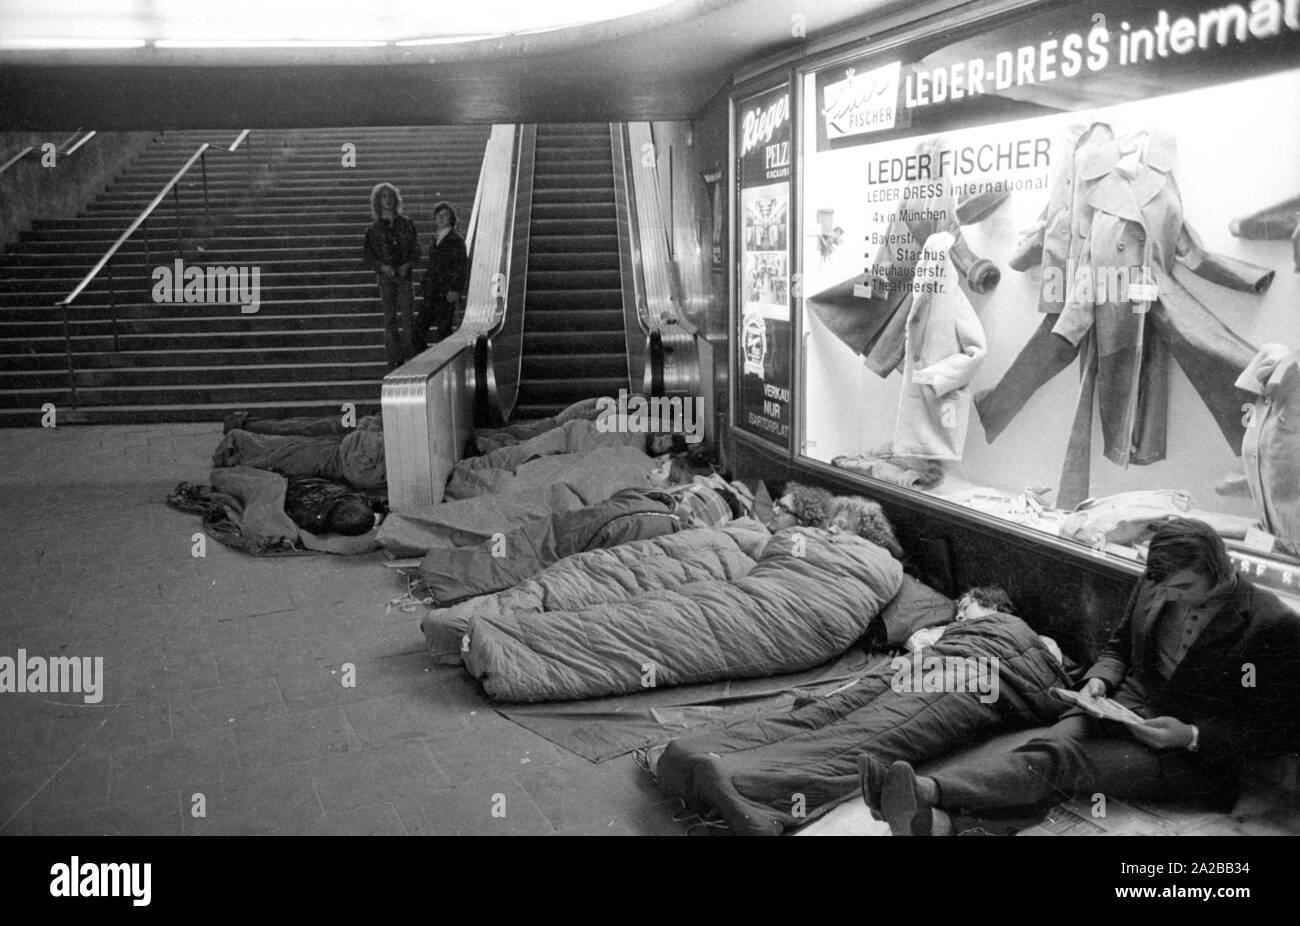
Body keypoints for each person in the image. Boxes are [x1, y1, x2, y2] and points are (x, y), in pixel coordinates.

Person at [862, 517, 1300, 836]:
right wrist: (1099, 683)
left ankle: (928, 791)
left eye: (1182, 590)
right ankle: (942, 824)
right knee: (1050, 749)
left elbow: (1276, 729)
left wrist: (1189, 735)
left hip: (1197, 761)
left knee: (1063, 761)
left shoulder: (1271, 624)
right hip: (1125, 706)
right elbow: (1121, 647)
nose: (1170, 599)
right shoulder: (1156, 583)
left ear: (1219, 572)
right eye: (1162, 587)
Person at [647, 584, 1071, 835]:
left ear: (995, 609)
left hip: (971, 678)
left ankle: (742, 782)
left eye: (968, 608)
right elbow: (920, 647)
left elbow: (1043, 677)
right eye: (958, 610)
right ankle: (700, 750)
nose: (960, 614)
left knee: (877, 730)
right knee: (828, 712)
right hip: (924, 666)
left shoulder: (1030, 635)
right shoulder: (945, 633)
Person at [362, 183, 422, 367]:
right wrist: (381, 267)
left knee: (407, 318)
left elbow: (416, 248)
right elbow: (368, 255)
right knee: (390, 319)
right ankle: (395, 359)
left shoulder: (406, 223)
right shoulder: (373, 228)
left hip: (404, 276)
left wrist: (409, 264)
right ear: (378, 201)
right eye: (384, 196)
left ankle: (412, 358)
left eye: (390, 196)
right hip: (386, 278)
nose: (387, 200)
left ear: (395, 199)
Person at [421, 201, 468, 345]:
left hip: (447, 292)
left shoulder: (456, 240)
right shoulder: (435, 238)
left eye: (445, 215)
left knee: (444, 330)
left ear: (451, 219)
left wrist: (455, 289)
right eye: (439, 215)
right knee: (419, 328)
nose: (441, 218)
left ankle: (447, 366)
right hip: (432, 291)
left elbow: (462, 266)